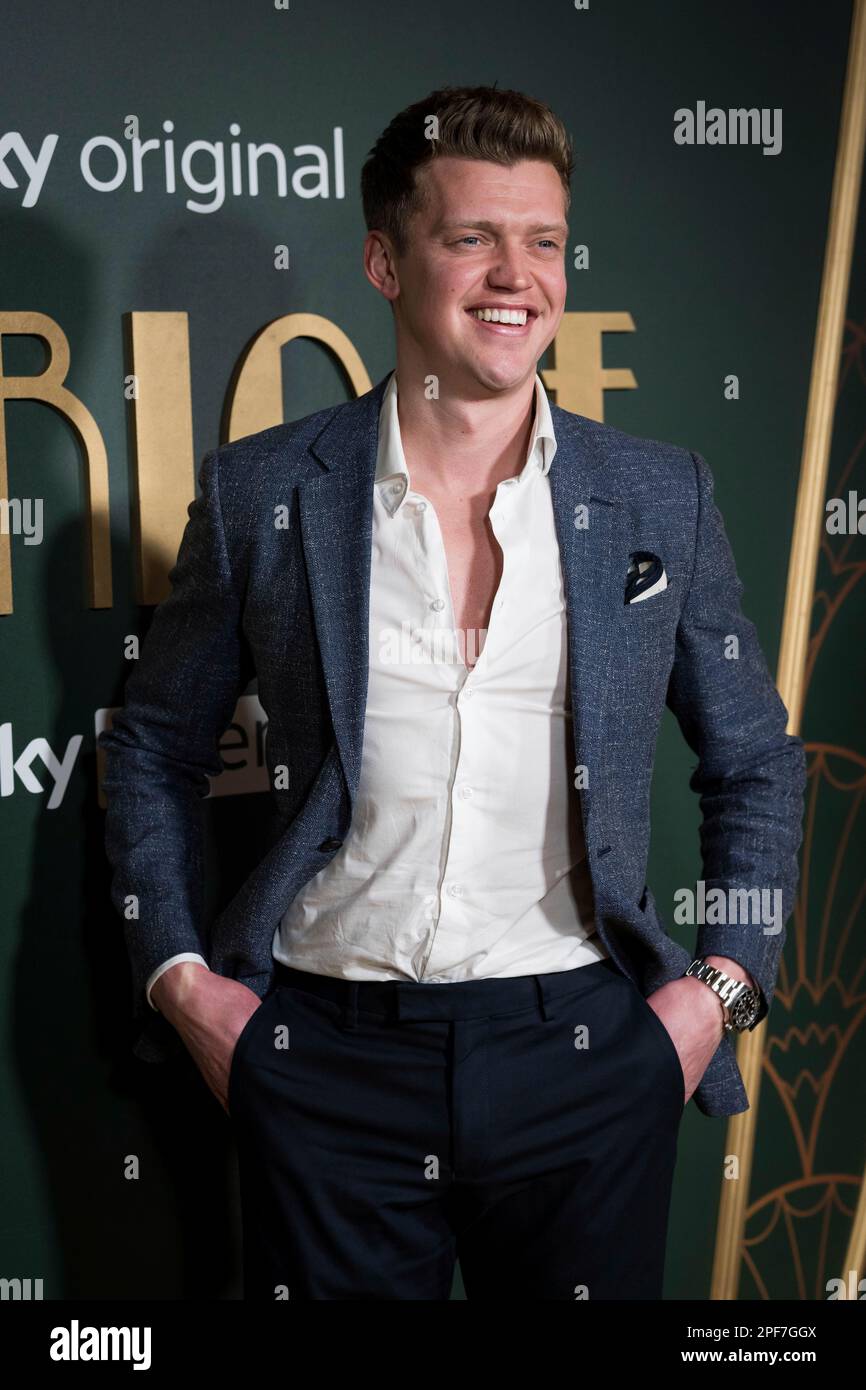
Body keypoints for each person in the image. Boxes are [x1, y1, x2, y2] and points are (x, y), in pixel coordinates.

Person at [99, 85, 806, 1300]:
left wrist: (717, 992)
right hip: (325, 1058)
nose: (514, 275)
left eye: (542, 242)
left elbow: (754, 758)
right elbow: (154, 744)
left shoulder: (658, 495)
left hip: (588, 1052)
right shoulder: (265, 491)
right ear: (384, 259)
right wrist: (180, 981)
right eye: (470, 236)